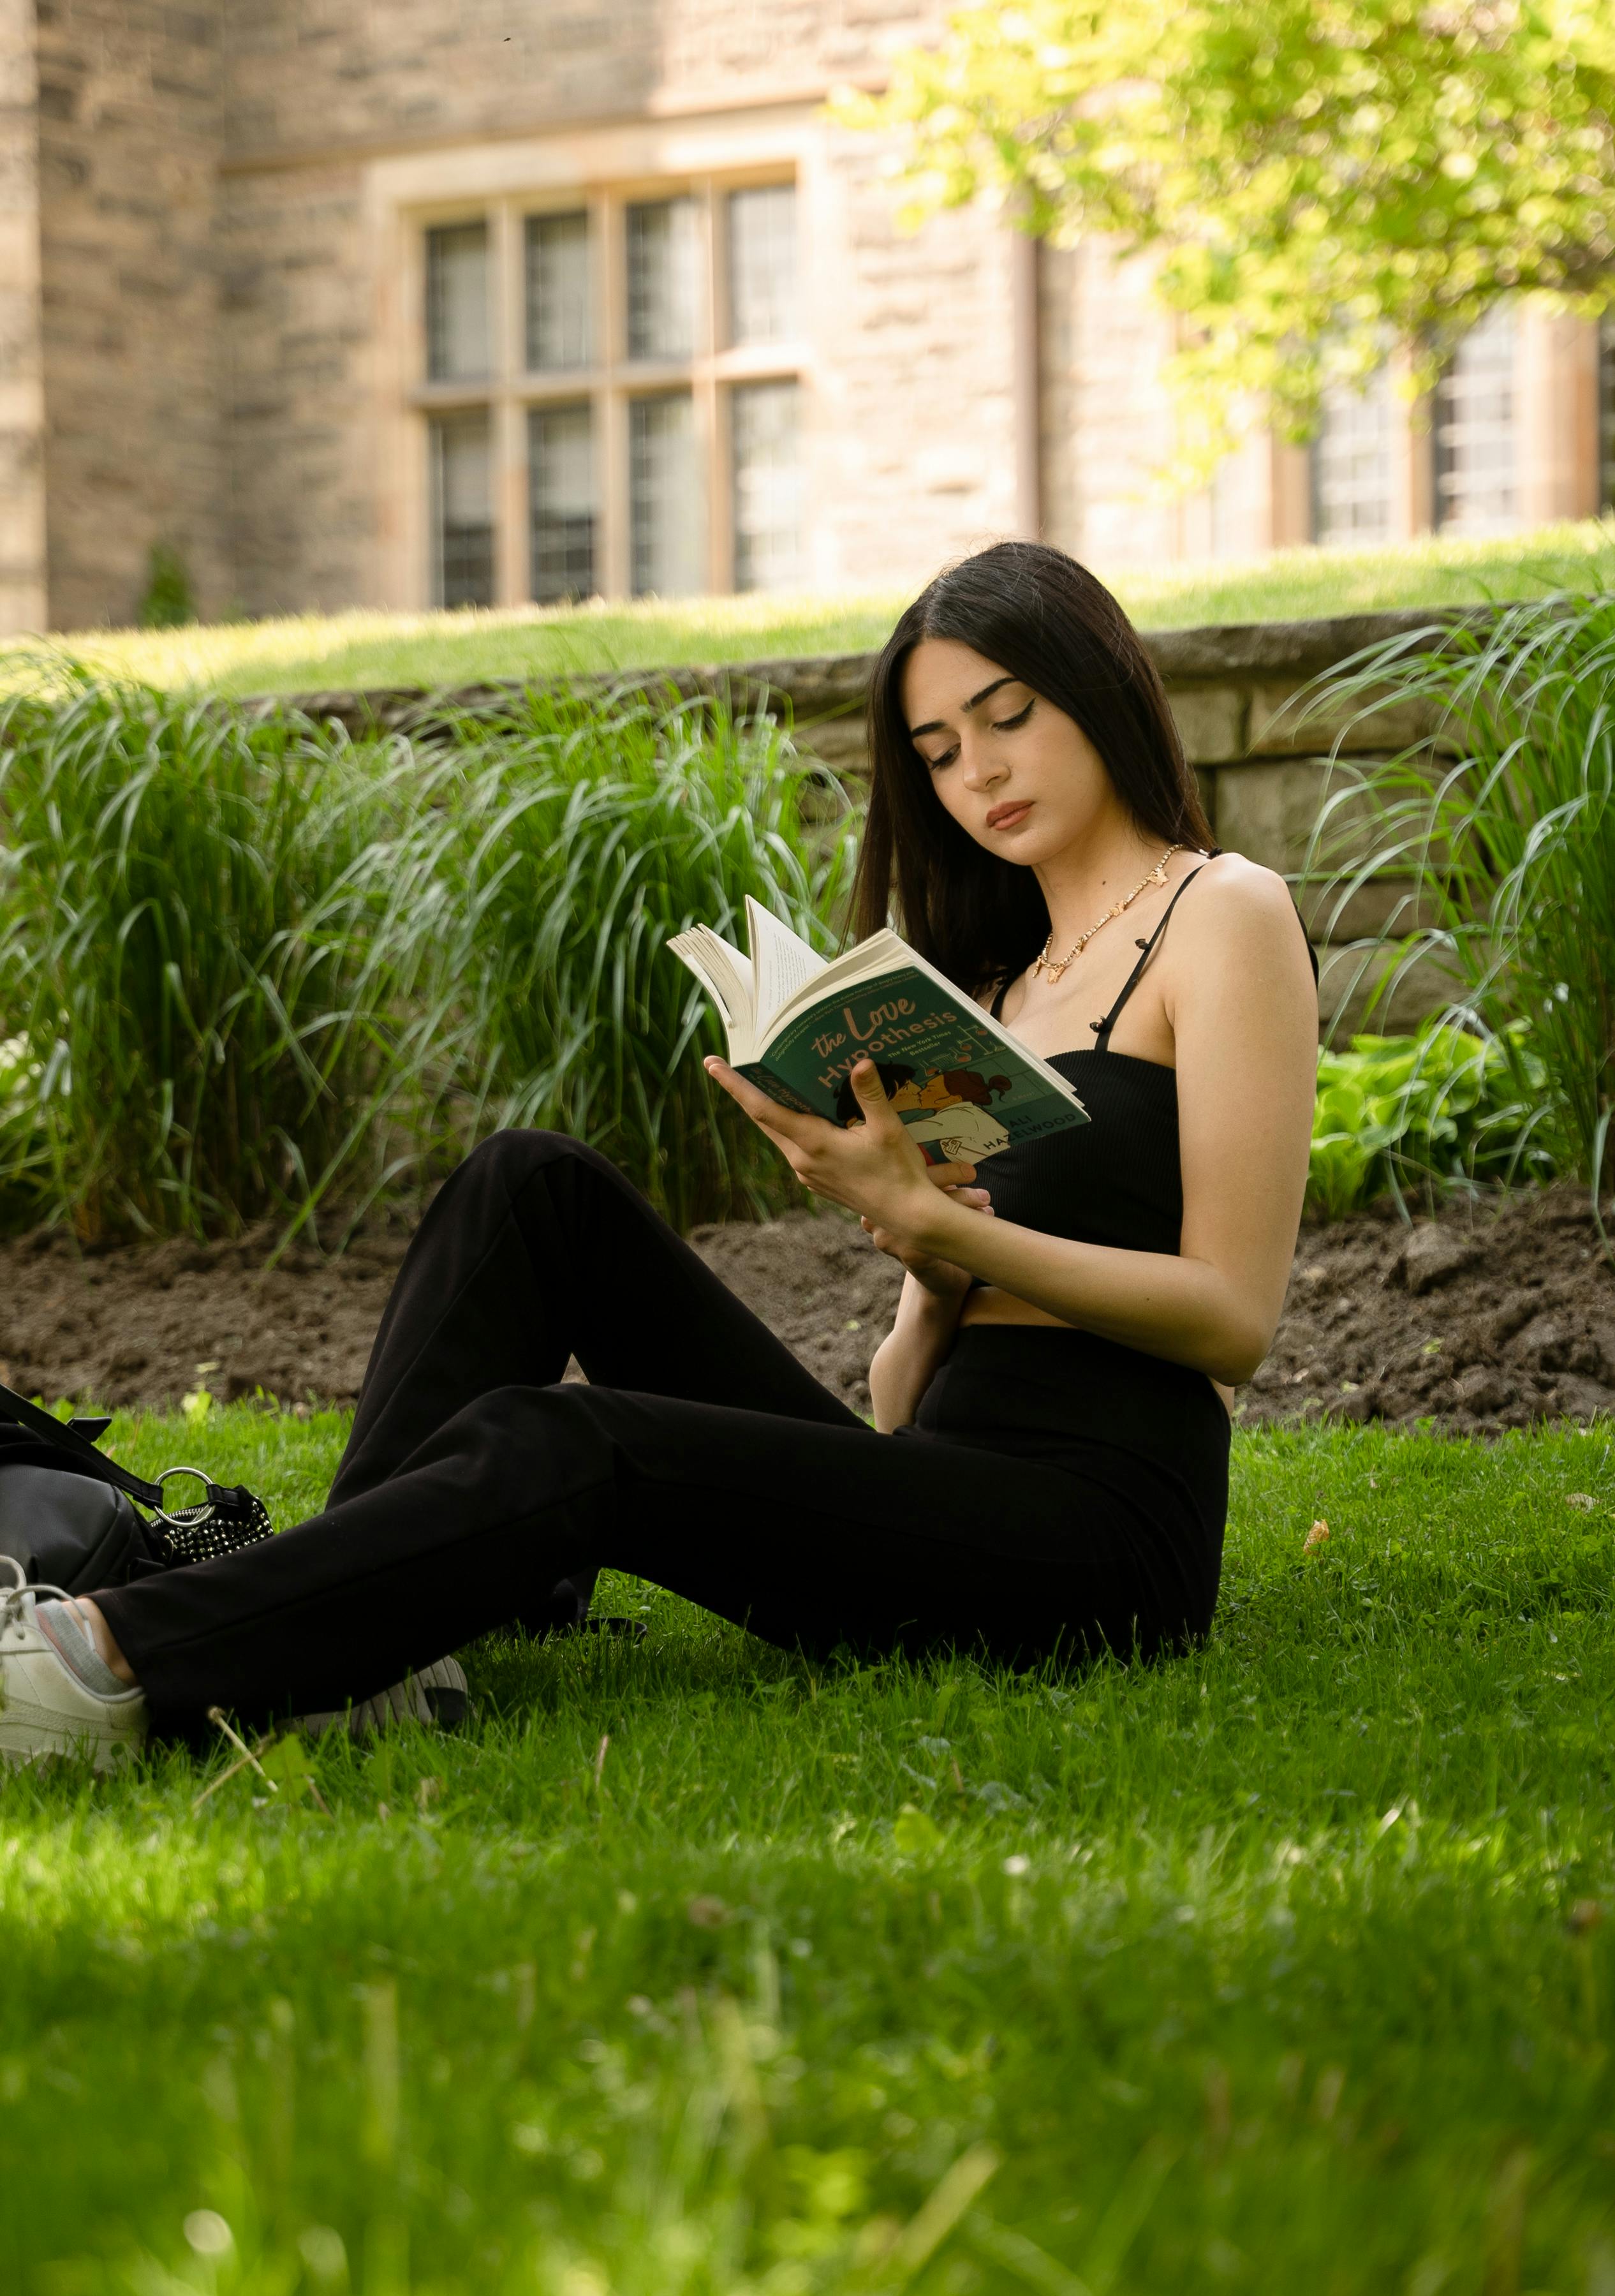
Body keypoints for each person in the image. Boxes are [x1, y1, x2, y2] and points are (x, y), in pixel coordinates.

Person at [0, 540, 1318, 1771]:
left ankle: (106, 1662)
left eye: (1008, 714)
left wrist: (955, 1231)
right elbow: (906, 1411)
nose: (978, 769)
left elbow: (1233, 1322)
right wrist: (924, 1258)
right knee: (536, 1189)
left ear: (1097, 686)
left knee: (576, 1443)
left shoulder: (1224, 915)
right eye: (936, 747)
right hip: (947, 1489)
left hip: (1097, 1549)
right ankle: (373, 1649)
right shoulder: (1000, 980)